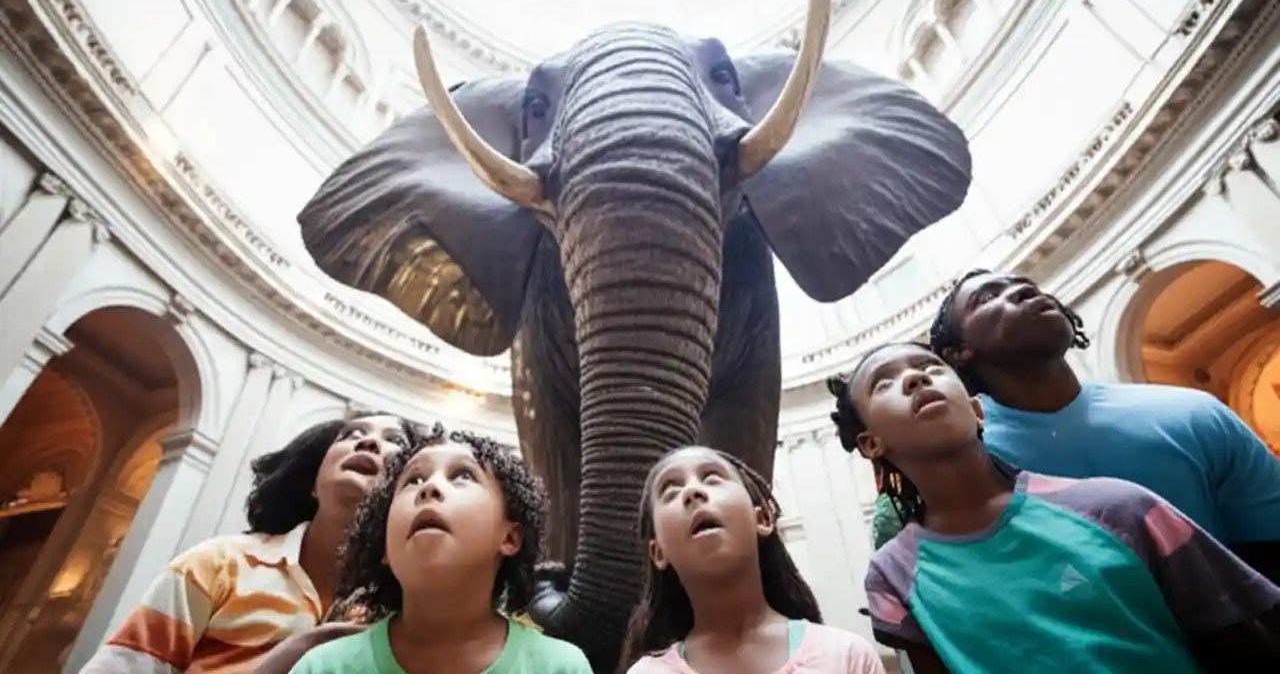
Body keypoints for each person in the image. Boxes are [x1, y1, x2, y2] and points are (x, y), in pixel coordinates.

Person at [829, 341, 1280, 672]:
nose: (916, 377)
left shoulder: (1119, 506)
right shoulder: (893, 576)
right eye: (884, 383)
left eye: (930, 366)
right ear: (871, 443)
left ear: (977, 409)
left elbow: (1243, 643)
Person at [871, 269, 1280, 581]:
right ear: (956, 353)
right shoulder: (953, 471)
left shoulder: (1192, 413)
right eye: (988, 298)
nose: (1021, 290)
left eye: (1025, 284)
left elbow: (1268, 547)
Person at [81, 413, 416, 673]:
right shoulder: (218, 564)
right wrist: (291, 655)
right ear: (311, 484)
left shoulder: (406, 610)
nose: (368, 443)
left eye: (394, 440)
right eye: (351, 435)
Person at [288, 424, 590, 673]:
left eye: (463, 476)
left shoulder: (559, 667)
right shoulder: (324, 667)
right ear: (385, 550)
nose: (428, 488)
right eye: (413, 480)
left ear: (510, 538)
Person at [621, 445, 884, 673]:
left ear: (763, 519)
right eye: (670, 491)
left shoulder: (845, 656)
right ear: (659, 552)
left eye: (712, 478)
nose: (692, 492)